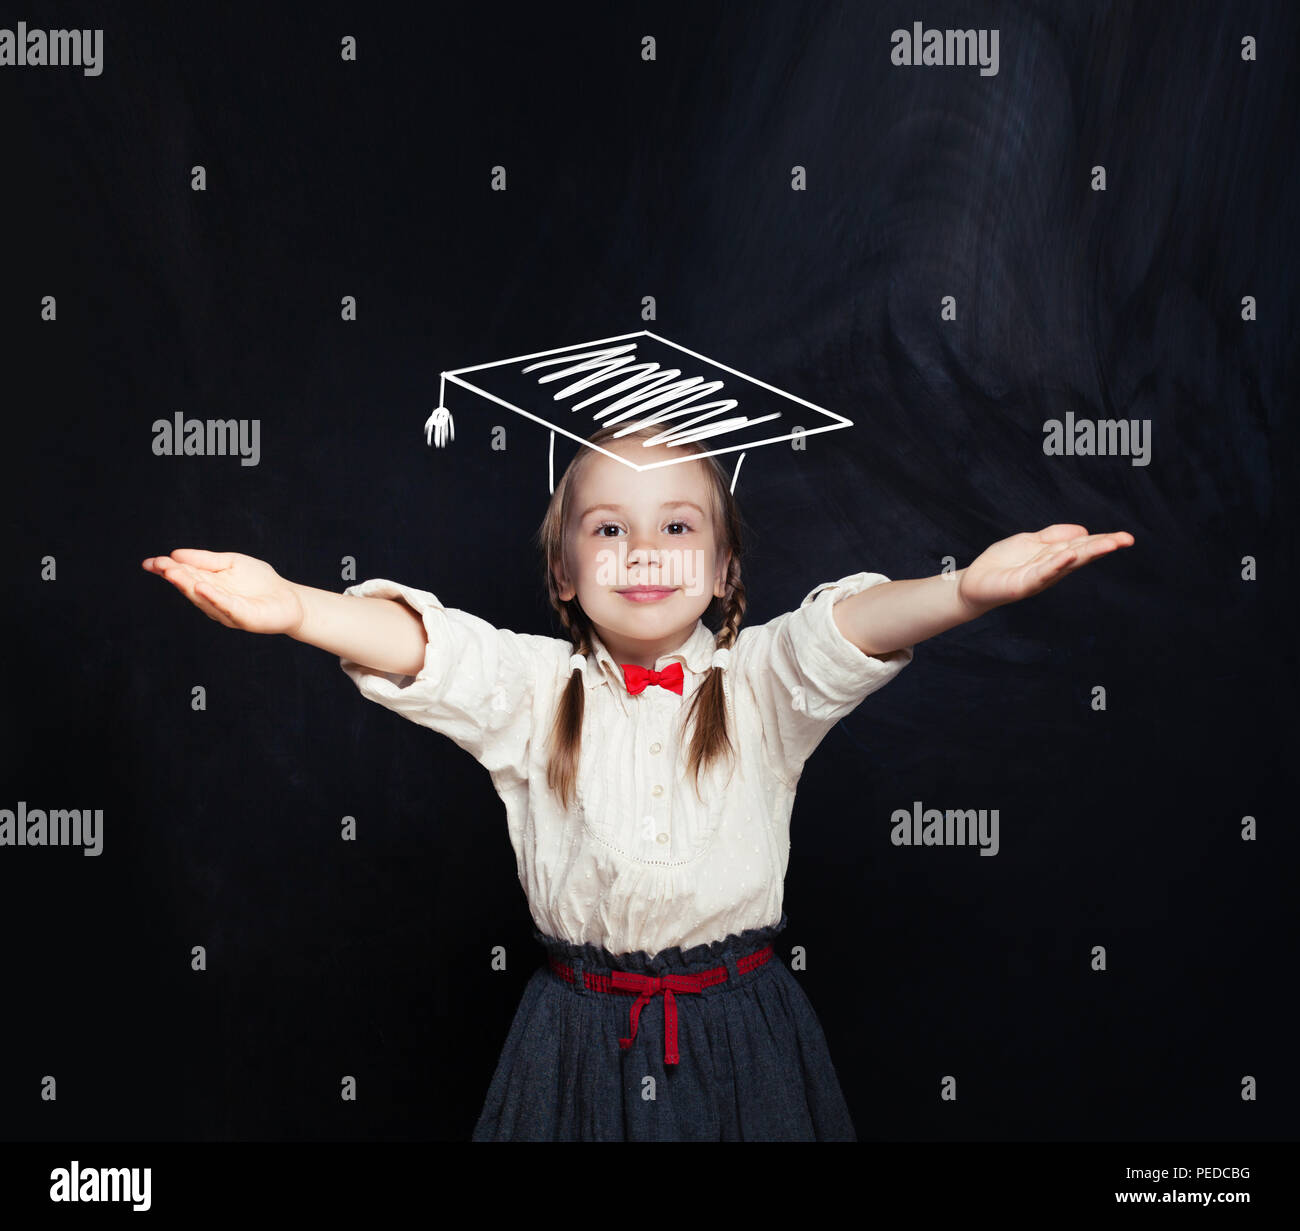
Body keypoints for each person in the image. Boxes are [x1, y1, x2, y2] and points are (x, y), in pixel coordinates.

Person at [141, 421, 1133, 1140]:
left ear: (725, 570)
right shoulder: (535, 688)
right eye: (608, 529)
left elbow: (848, 632)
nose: (644, 552)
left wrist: (960, 591)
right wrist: (298, 607)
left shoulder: (757, 684)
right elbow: (429, 648)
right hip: (573, 1042)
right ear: (564, 571)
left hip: (743, 1033)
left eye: (677, 528)